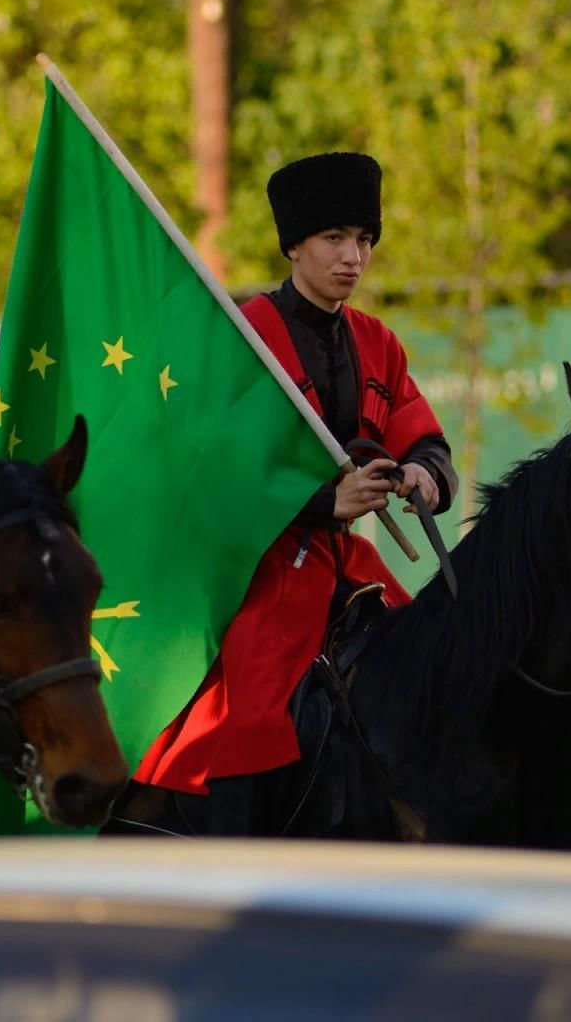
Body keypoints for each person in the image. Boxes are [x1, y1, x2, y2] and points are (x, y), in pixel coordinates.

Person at [130, 151, 459, 832]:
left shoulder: (379, 342)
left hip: (350, 571)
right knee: (246, 715)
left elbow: (419, 431)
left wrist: (425, 472)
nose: (353, 257)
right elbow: (202, 468)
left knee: (442, 670)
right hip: (256, 571)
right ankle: (234, 861)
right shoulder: (243, 339)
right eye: (334, 239)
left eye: (364, 240)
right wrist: (318, 502)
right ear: (295, 245)